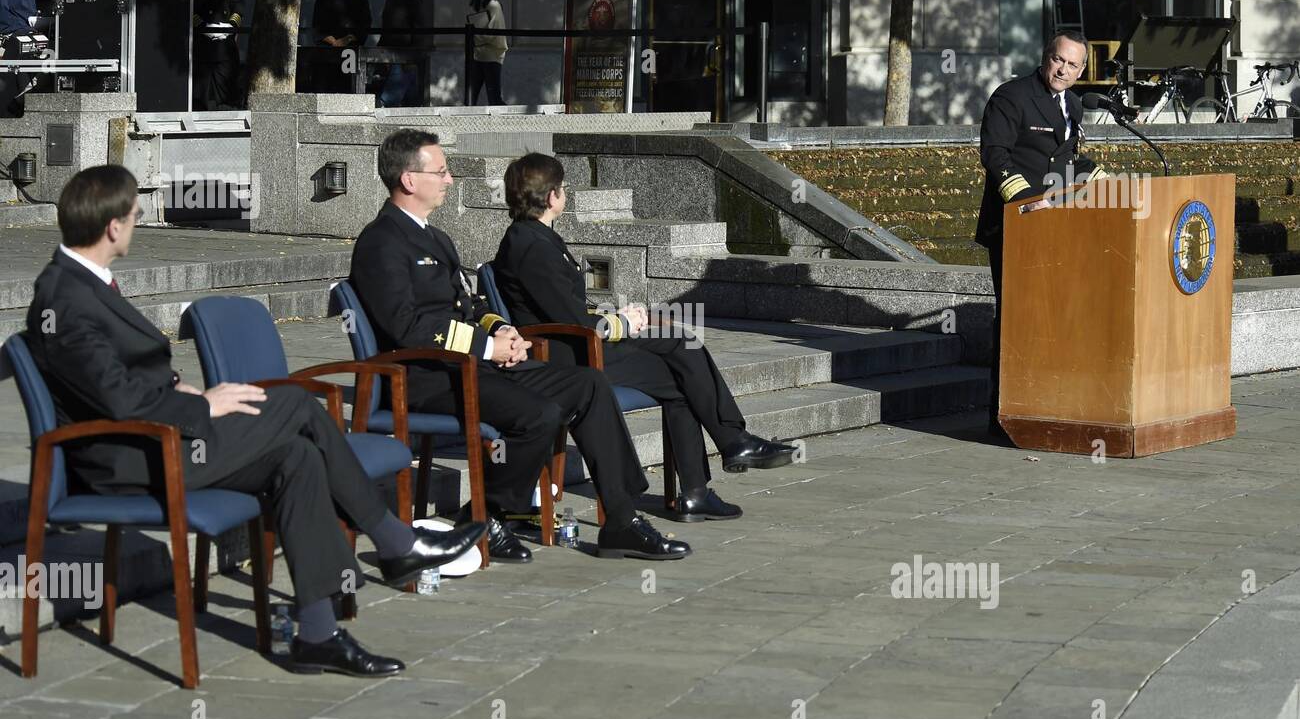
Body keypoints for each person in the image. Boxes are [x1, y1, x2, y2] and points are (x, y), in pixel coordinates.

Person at [23, 165, 486, 677]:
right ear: (113, 227)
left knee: (297, 456)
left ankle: (317, 633)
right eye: (135, 216)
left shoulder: (84, 285)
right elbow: (117, 401)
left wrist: (180, 389)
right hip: (128, 458)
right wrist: (204, 405)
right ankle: (396, 542)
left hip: (158, 437)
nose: (137, 223)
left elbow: (118, 377)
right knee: (291, 404)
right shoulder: (64, 299)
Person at [348, 130, 692, 563]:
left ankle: (621, 520)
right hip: (424, 375)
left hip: (470, 364)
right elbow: (408, 327)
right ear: (409, 180)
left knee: (587, 384)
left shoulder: (436, 238)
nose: (449, 180)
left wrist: (503, 332)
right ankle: (484, 515)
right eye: (441, 171)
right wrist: (487, 348)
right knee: (539, 414)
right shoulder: (381, 242)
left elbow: (470, 305)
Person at [493, 153, 799, 521]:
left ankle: (718, 465)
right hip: (568, 355)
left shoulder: (537, 237)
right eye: (563, 187)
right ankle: (722, 458)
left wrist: (619, 319)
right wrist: (621, 322)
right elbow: (567, 319)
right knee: (684, 366)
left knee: (684, 352)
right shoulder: (531, 245)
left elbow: (566, 307)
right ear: (551, 195)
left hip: (580, 342)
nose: (566, 193)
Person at [975, 28, 1104, 441]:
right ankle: (1001, 415)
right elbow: (995, 154)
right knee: (1015, 319)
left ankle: (1044, 405)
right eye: (1058, 60)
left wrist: (1096, 176)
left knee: (1049, 316)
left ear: (1083, 70)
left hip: (1056, 227)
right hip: (1016, 223)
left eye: (1073, 65)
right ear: (1046, 57)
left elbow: (1064, 158)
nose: (1063, 70)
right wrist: (1027, 202)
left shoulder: (1075, 106)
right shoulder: (1011, 96)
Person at [0, 0, 56, 118]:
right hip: (13, 37)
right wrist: (28, 30)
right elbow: (2, 13)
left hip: (28, 33)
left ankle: (24, 102)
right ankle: (19, 104)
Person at [311, 0, 372, 94]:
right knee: (324, 92)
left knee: (348, 92)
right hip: (327, 54)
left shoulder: (361, 0)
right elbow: (317, 27)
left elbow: (365, 26)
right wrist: (334, 42)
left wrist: (346, 40)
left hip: (351, 54)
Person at [375, 0, 423, 108]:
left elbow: (420, 27)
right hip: (391, 56)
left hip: (404, 58)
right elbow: (386, 27)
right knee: (410, 103)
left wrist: (413, 56)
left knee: (388, 100)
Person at [466, 0, 507, 105]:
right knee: (471, 97)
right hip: (478, 55)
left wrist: (473, 38)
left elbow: (493, 32)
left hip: (491, 56)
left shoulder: (493, 5)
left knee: (494, 98)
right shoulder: (480, 6)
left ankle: (511, 123)